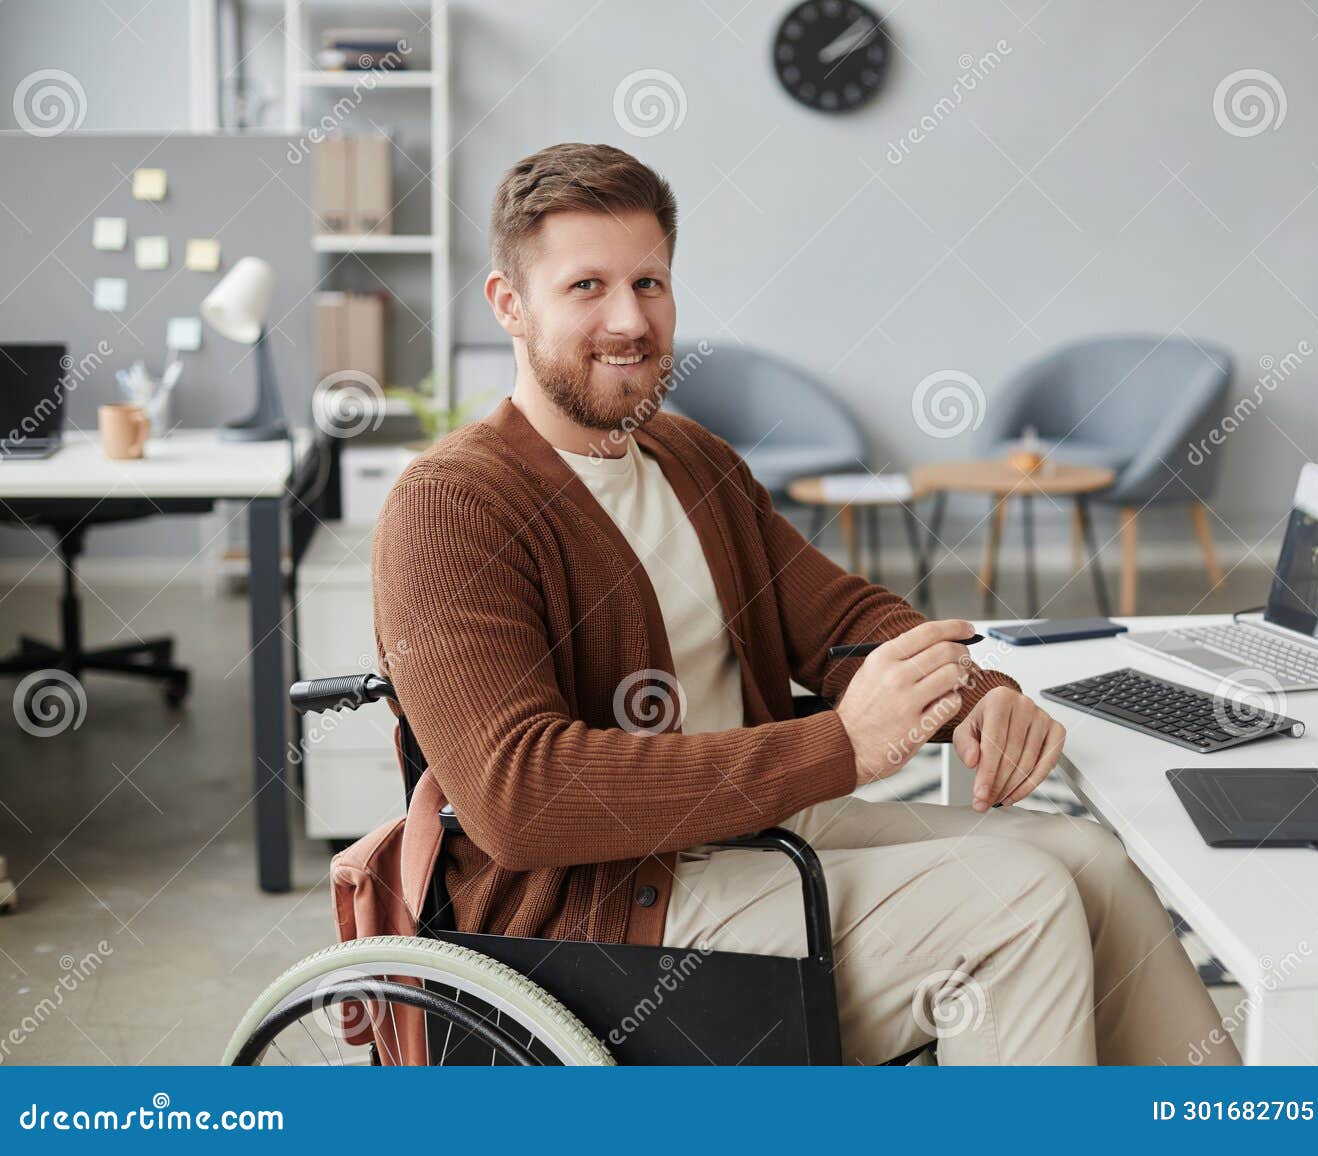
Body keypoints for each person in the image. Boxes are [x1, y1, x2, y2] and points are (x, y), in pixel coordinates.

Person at [371, 141, 1238, 1065]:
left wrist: (972, 692)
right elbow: (520, 800)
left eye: (651, 284)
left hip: (752, 831)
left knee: (1092, 863)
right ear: (511, 304)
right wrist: (843, 745)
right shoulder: (452, 506)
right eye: (587, 287)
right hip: (607, 918)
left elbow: (838, 619)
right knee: (1017, 905)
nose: (630, 319)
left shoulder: (688, 457)